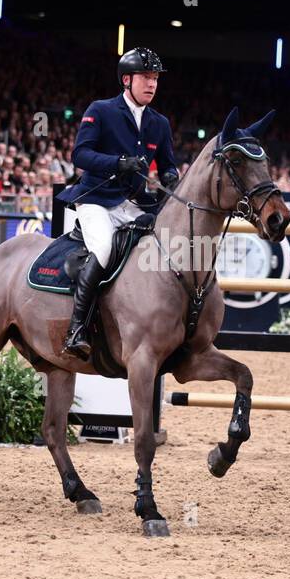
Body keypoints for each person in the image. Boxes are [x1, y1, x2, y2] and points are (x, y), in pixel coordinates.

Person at [55, 46, 179, 359]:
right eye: (146, 78)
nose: (152, 84)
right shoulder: (101, 109)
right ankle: (77, 328)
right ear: (127, 80)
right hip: (96, 199)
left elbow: (167, 165)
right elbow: (80, 155)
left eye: (155, 79)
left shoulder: (159, 123)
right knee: (104, 249)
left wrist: (173, 180)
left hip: (134, 202)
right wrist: (118, 163)